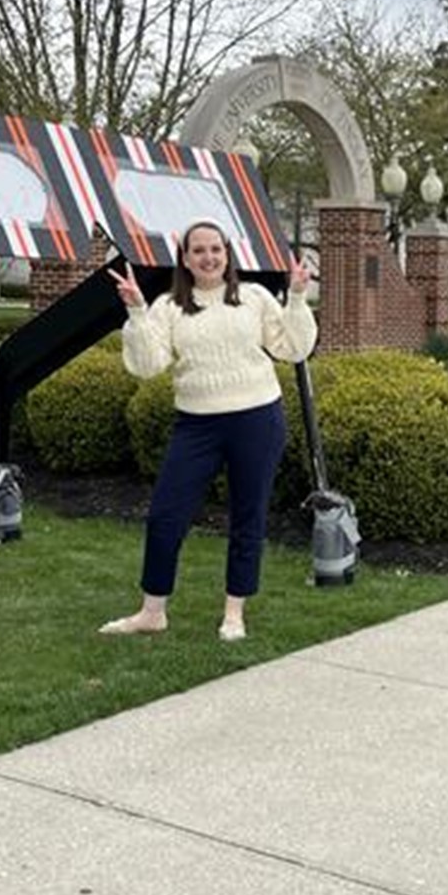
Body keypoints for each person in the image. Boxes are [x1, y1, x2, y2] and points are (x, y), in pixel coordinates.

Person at [103, 219, 315, 642]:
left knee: (247, 516)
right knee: (166, 515)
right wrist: (136, 310)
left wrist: (295, 297)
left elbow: (294, 348)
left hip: (257, 418)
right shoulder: (167, 307)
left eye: (215, 249)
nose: (208, 257)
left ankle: (234, 612)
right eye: (198, 250)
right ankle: (152, 611)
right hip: (196, 424)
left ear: (227, 253)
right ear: (185, 259)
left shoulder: (254, 298)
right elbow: (147, 365)